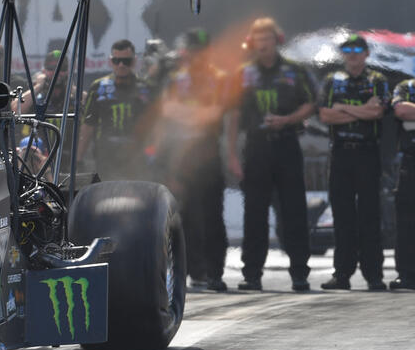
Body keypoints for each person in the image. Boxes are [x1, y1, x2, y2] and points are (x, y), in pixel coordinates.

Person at [226, 18, 317, 291]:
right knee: (254, 213)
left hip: (287, 144)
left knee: (294, 212)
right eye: (258, 39)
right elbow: (233, 114)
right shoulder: (243, 73)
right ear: (251, 43)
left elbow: (312, 103)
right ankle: (252, 274)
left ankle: (299, 273)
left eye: (267, 39)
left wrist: (287, 120)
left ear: (277, 40)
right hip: (256, 148)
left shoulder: (295, 70)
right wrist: (231, 154)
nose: (263, 44)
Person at [156, 28, 229, 291]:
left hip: (207, 154)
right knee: (182, 216)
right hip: (180, 155)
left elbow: (214, 114)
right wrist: (196, 115)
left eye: (200, 51)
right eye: (192, 51)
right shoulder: (175, 79)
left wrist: (186, 113)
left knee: (212, 216)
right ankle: (186, 272)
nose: (196, 56)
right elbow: (167, 110)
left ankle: (214, 273)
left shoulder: (220, 78)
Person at [317, 34, 390, 291]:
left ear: (366, 53)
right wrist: (361, 111)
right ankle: (342, 274)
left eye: (358, 50)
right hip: (341, 154)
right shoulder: (332, 80)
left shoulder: (377, 80)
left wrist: (344, 109)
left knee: (370, 214)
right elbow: (325, 115)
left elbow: (377, 112)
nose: (352, 55)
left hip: (367, 153)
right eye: (347, 50)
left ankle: (374, 275)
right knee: (342, 215)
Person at [77, 40, 155, 181]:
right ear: (110, 61)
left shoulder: (146, 88)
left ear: (134, 61)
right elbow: (88, 126)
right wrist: (78, 159)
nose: (121, 65)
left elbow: (154, 126)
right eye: (116, 60)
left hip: (136, 158)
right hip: (106, 157)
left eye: (126, 61)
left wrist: (153, 156)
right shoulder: (98, 87)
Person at [388, 76, 415, 291]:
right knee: (406, 220)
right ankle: (406, 274)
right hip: (411, 161)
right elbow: (401, 111)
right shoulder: (406, 87)